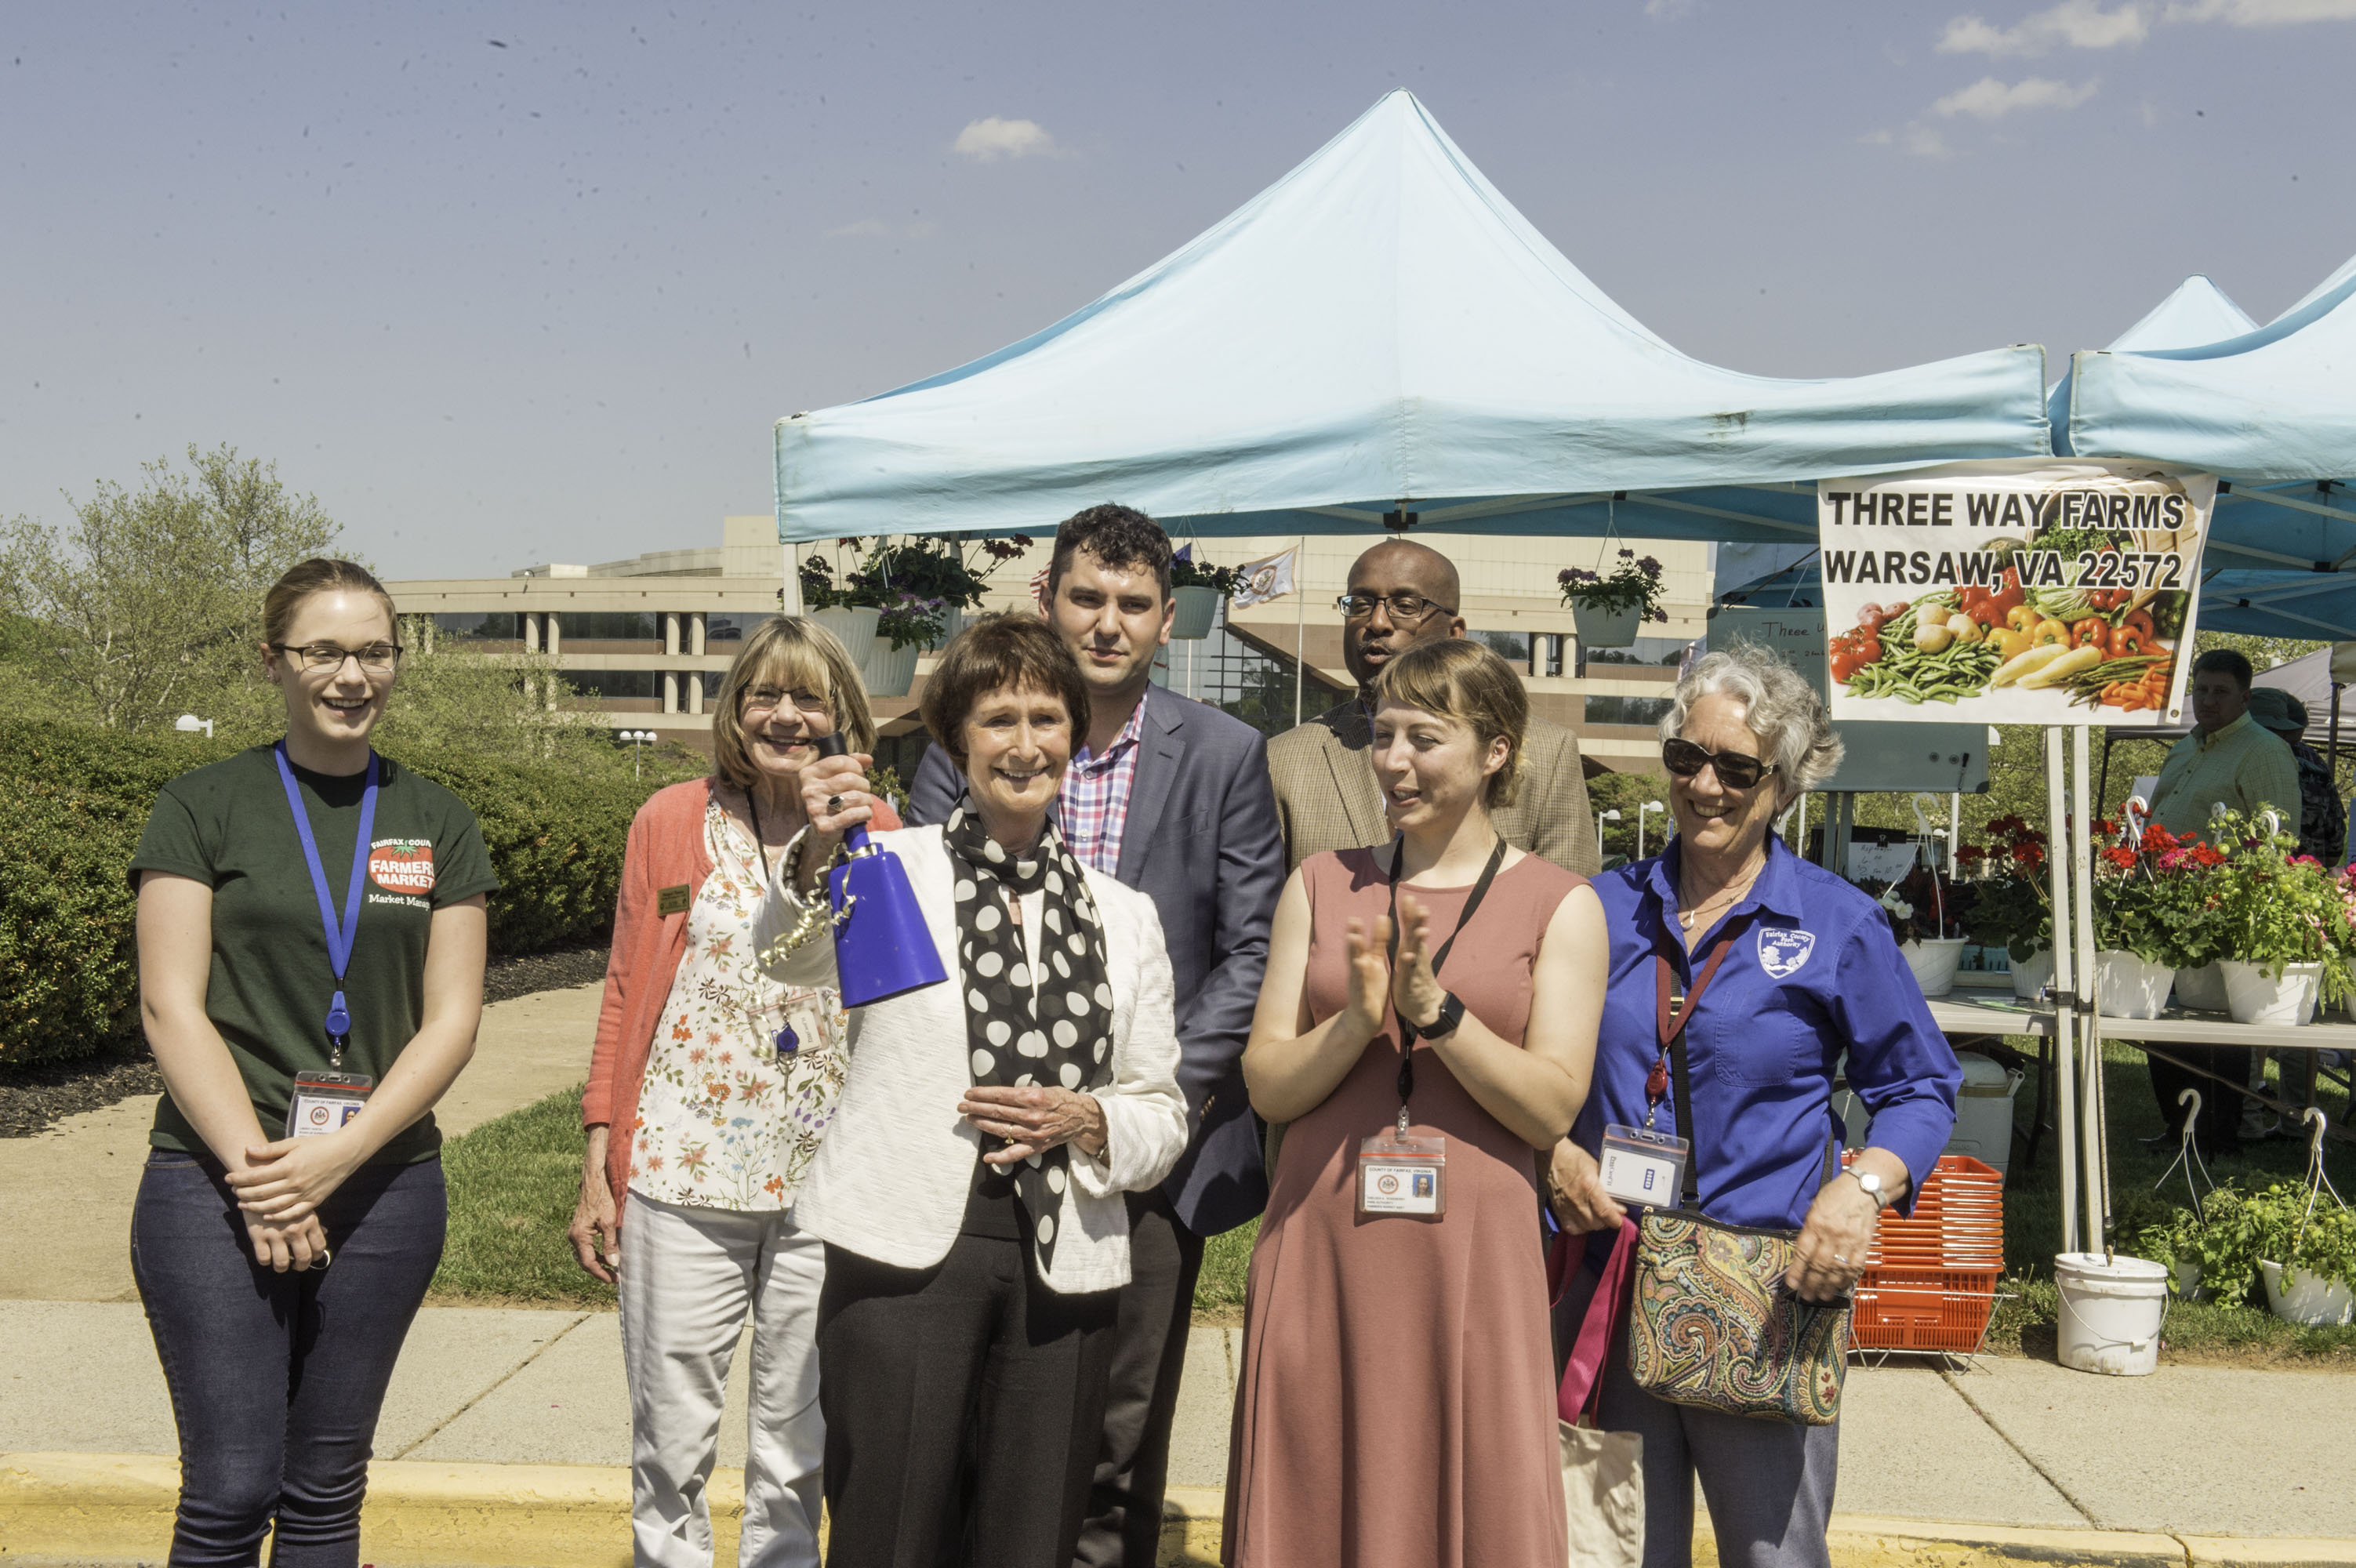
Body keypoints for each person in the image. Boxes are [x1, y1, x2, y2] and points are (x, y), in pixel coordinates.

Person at [760, 614, 1189, 1568]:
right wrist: (818, 852)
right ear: (958, 737)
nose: (1024, 743)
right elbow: (789, 963)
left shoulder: (1125, 915)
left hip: (1064, 1262)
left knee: (1029, 1540)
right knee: (889, 1535)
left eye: (1046, 717)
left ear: (1075, 736)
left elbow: (1161, 1111)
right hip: (904, 1260)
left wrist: (1088, 1118)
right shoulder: (887, 865)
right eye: (998, 719)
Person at [906, 504, 1282, 1566]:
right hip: (977, 1146)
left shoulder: (1225, 755)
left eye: (1131, 605)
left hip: (1144, 1160)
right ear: (1046, 600)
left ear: (1170, 619)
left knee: (1114, 1445)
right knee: (978, 1425)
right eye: (1087, 598)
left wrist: (1135, 1103)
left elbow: (1251, 953)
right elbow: (923, 912)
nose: (1106, 624)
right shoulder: (971, 731)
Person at [1548, 643, 1960, 1568]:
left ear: (1785, 782)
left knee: (1770, 1555)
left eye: (1736, 768)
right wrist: (1551, 1149)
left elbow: (1920, 1086)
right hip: (1609, 1281)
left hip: (1764, 1297)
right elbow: (1536, 1064)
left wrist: (1861, 1186)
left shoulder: (1833, 920)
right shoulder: (1596, 907)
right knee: (1612, 1552)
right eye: (1686, 758)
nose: (1705, 785)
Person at [129, 557, 499, 1565]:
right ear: (274, 663)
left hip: (383, 1185)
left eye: (373, 651)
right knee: (230, 1486)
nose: (351, 674)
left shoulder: (436, 817)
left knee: (326, 1489)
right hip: (215, 1179)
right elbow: (171, 1006)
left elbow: (452, 1019)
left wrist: (336, 1160)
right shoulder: (204, 803)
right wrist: (266, 1176)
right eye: (324, 651)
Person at [1226, 637, 1606, 1568]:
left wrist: (1438, 1014)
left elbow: (1551, 1105)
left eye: (1423, 738)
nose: (1393, 760)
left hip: (1471, 1248)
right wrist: (1355, 1023)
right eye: (1382, 734)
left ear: (1495, 750)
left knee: (1468, 1492)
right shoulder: (1319, 882)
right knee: (1314, 1478)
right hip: (1320, 1233)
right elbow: (1267, 1082)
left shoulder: (1562, 904)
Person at [571, 617, 900, 1568]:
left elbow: (891, 994)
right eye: (766, 694)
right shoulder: (670, 819)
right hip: (682, 1168)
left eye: (809, 697)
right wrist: (601, 1147)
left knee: (795, 1445)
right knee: (669, 1440)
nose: (786, 716)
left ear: (842, 711)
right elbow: (628, 986)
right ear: (735, 707)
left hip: (823, 1178)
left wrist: (851, 840)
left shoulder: (879, 828)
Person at [1265, 536, 1599, 877]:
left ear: (1455, 634)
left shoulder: (1546, 750)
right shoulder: (1283, 760)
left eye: (1406, 606)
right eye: (1361, 604)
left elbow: (1569, 898)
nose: (1377, 622)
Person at [2144, 649, 2301, 1154]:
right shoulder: (2186, 747)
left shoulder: (2264, 751)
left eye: (2220, 692)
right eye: (2201, 689)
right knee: (2159, 1022)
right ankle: (2178, 1128)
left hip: (2221, 909)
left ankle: (2217, 1135)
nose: (2207, 701)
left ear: (2245, 697)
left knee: (2214, 1028)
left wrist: (2231, 889)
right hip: (2163, 907)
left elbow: (2281, 838)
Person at [2248, 687, 2344, 866]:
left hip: (2255, 876)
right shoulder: (2316, 763)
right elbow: (2335, 847)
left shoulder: (2242, 758)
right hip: (2306, 877)